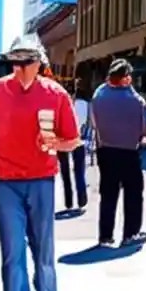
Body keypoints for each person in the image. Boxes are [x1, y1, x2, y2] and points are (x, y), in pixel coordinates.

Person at [0, 35, 81, 291]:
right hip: (5, 182)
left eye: (27, 62)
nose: (20, 69)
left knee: (43, 246)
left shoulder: (56, 94)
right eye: (15, 63)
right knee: (12, 251)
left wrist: (56, 143)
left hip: (42, 179)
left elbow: (73, 139)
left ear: (39, 63)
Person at [90, 59, 146, 246]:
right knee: (133, 193)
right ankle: (130, 234)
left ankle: (105, 236)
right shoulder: (135, 99)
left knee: (108, 194)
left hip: (105, 150)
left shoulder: (99, 95)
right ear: (126, 77)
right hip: (129, 151)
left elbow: (94, 123)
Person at [59, 82, 90, 212]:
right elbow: (88, 122)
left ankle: (69, 201)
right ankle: (81, 199)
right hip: (79, 139)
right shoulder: (84, 104)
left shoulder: (60, 103)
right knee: (79, 170)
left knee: (65, 171)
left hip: (62, 140)